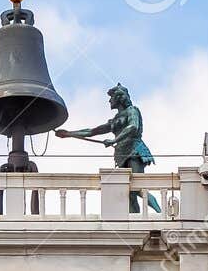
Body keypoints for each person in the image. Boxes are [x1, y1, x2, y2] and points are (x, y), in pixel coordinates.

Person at [56, 84, 160, 213]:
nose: (109, 100)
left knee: (138, 188)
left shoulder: (132, 110)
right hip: (122, 155)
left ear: (119, 98)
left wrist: (114, 140)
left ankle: (161, 213)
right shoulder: (115, 120)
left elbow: (133, 127)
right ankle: (134, 221)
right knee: (128, 192)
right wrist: (69, 134)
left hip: (134, 151)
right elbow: (92, 131)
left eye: (111, 98)